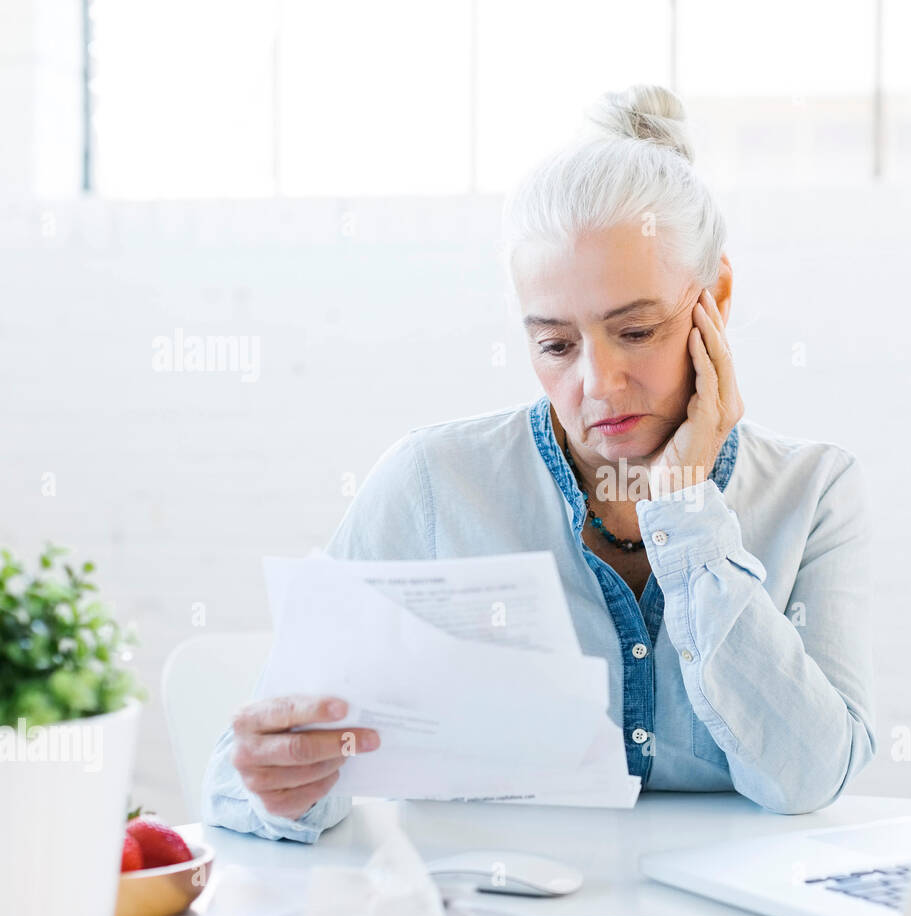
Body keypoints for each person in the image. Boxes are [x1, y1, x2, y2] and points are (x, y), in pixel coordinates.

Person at [202, 83, 876, 843]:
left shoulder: (814, 491)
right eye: (555, 344)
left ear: (713, 297)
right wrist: (284, 783)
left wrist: (687, 512)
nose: (597, 385)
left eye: (637, 330)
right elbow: (240, 779)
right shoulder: (433, 485)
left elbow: (809, 778)